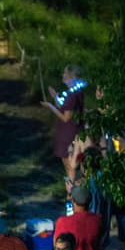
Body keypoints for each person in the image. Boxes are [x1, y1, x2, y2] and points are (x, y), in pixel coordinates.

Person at [42, 65, 88, 194]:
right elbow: (65, 106)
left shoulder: (72, 95)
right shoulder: (76, 91)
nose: (63, 75)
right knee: (71, 166)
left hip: (68, 134)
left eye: (65, 73)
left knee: (70, 166)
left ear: (71, 77)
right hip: (73, 131)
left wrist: (50, 106)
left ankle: (71, 196)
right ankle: (73, 195)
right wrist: (56, 97)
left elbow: (66, 117)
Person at [54, 186, 104, 250]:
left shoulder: (62, 222)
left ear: (73, 201)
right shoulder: (98, 220)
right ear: (90, 202)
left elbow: (57, 248)